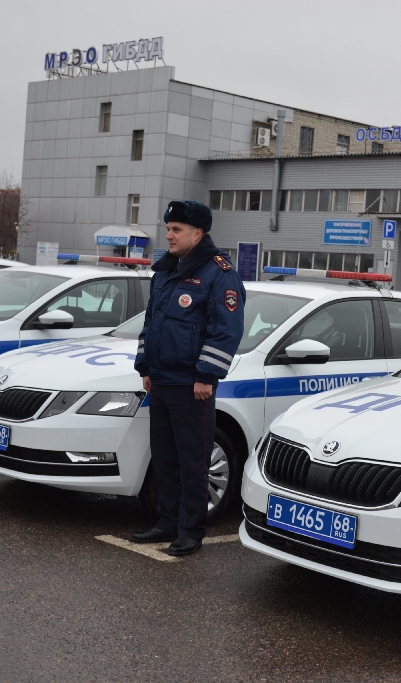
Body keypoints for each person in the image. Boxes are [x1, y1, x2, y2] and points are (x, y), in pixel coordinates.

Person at [131, 200, 245, 557]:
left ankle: (191, 530)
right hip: (162, 381)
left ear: (198, 233)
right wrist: (145, 366)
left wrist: (207, 376)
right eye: (168, 229)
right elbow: (151, 323)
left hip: (192, 386)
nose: (169, 235)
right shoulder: (166, 270)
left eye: (177, 230)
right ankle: (166, 522)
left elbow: (225, 331)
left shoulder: (219, 272)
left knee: (193, 460)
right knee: (164, 458)